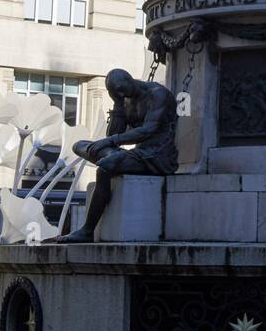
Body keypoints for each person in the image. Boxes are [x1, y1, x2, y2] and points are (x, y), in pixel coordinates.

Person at [54, 70, 177, 244]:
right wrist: (118, 106)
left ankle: (87, 230)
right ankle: (117, 160)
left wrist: (110, 141)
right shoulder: (124, 99)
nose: (120, 94)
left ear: (130, 79)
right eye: (115, 93)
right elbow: (114, 135)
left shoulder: (157, 94)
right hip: (136, 154)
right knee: (79, 145)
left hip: (155, 157)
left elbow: (148, 130)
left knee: (105, 167)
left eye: (120, 90)